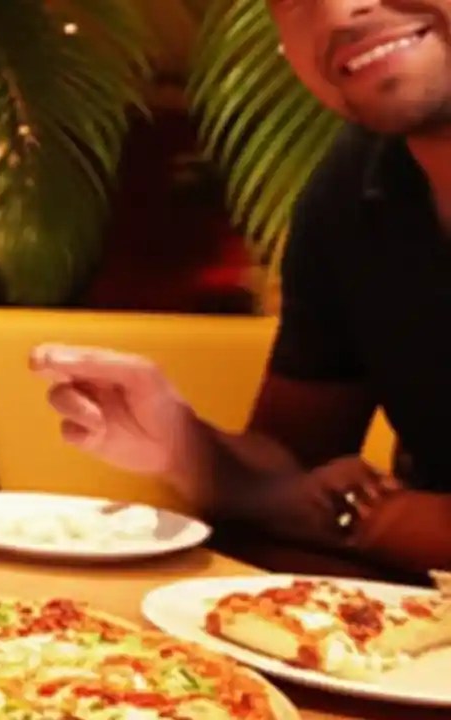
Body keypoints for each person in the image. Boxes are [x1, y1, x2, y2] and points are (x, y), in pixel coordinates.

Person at [32, 0, 451, 580]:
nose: (335, 14)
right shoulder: (354, 192)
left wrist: (421, 528)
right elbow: (291, 477)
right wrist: (182, 445)